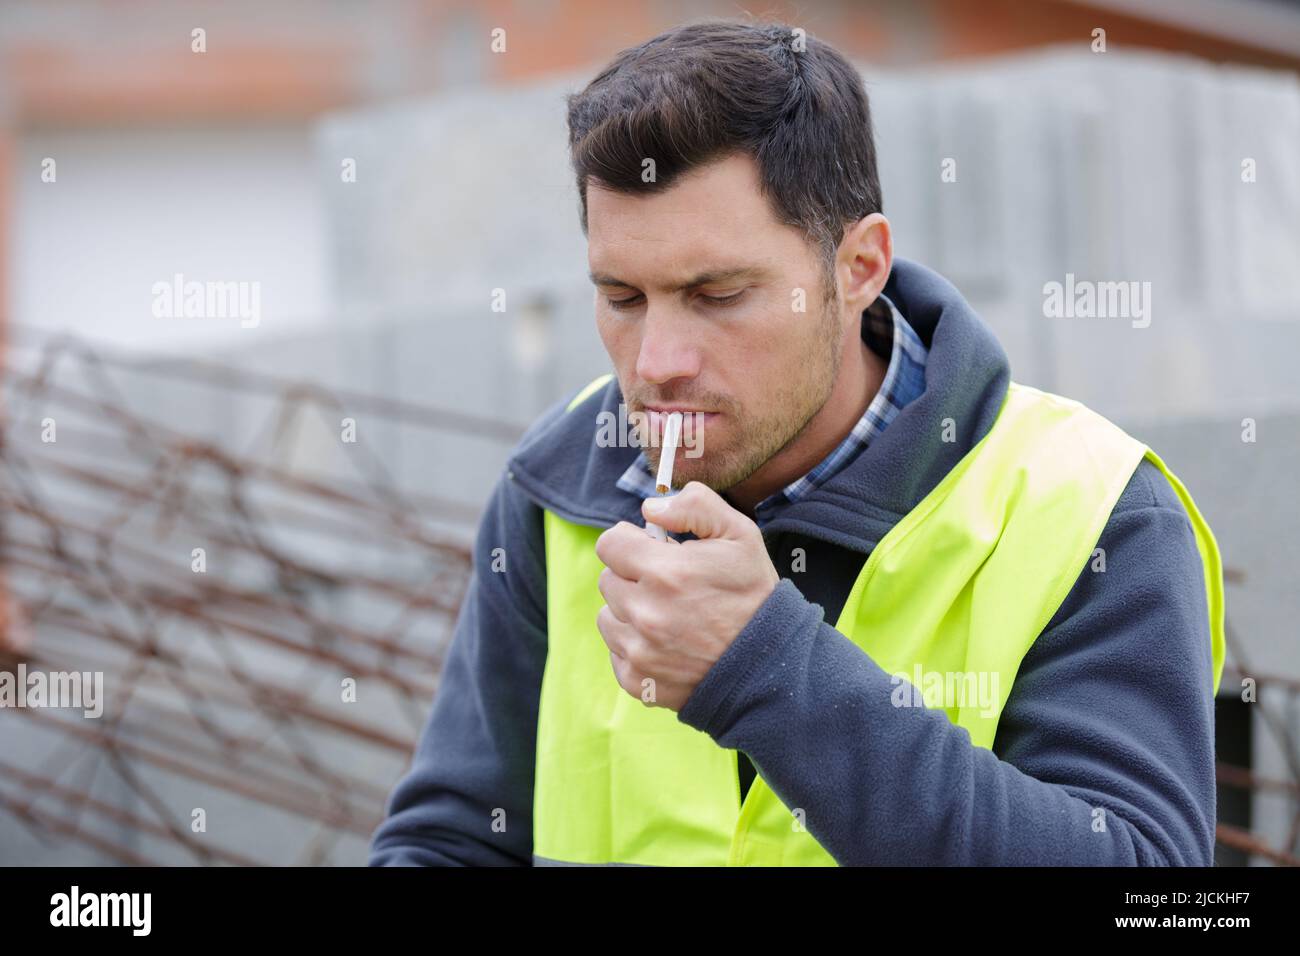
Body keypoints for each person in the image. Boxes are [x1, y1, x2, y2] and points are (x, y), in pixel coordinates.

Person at [370, 18, 1224, 866]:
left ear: (858, 268)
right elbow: (452, 843)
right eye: (623, 297)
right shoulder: (556, 487)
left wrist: (768, 670)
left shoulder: (1093, 513)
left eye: (719, 294)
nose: (659, 364)